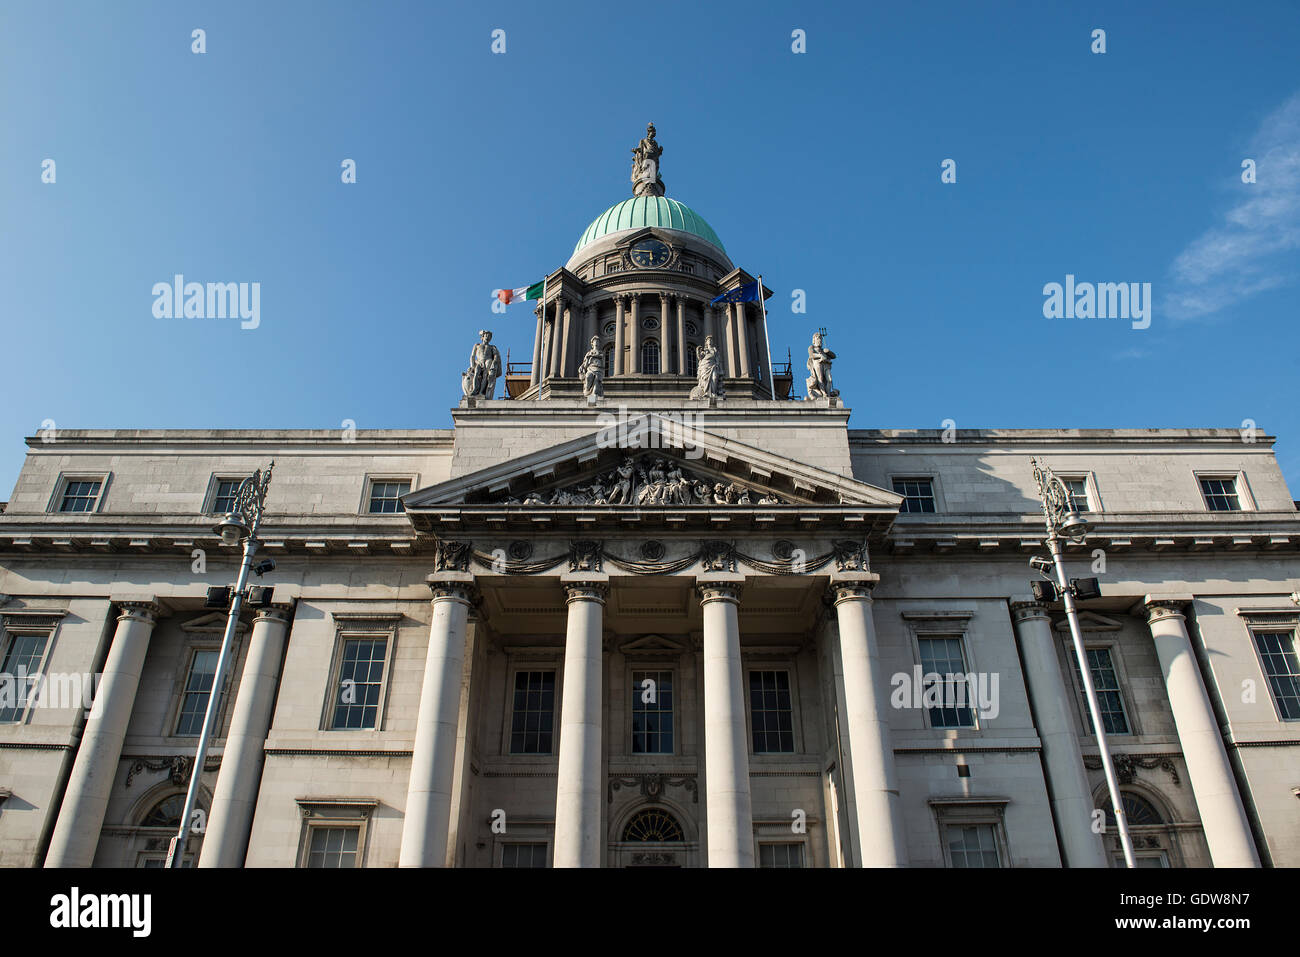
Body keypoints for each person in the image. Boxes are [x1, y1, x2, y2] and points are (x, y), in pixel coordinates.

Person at [462, 330, 502, 398]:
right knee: (477, 372)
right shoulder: (477, 345)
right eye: (486, 335)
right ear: (482, 337)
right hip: (479, 361)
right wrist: (472, 366)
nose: (487, 337)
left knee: (485, 375)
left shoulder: (492, 347)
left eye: (489, 336)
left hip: (488, 360)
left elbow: (496, 355)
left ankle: (481, 392)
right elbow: (472, 356)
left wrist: (495, 361)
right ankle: (475, 390)